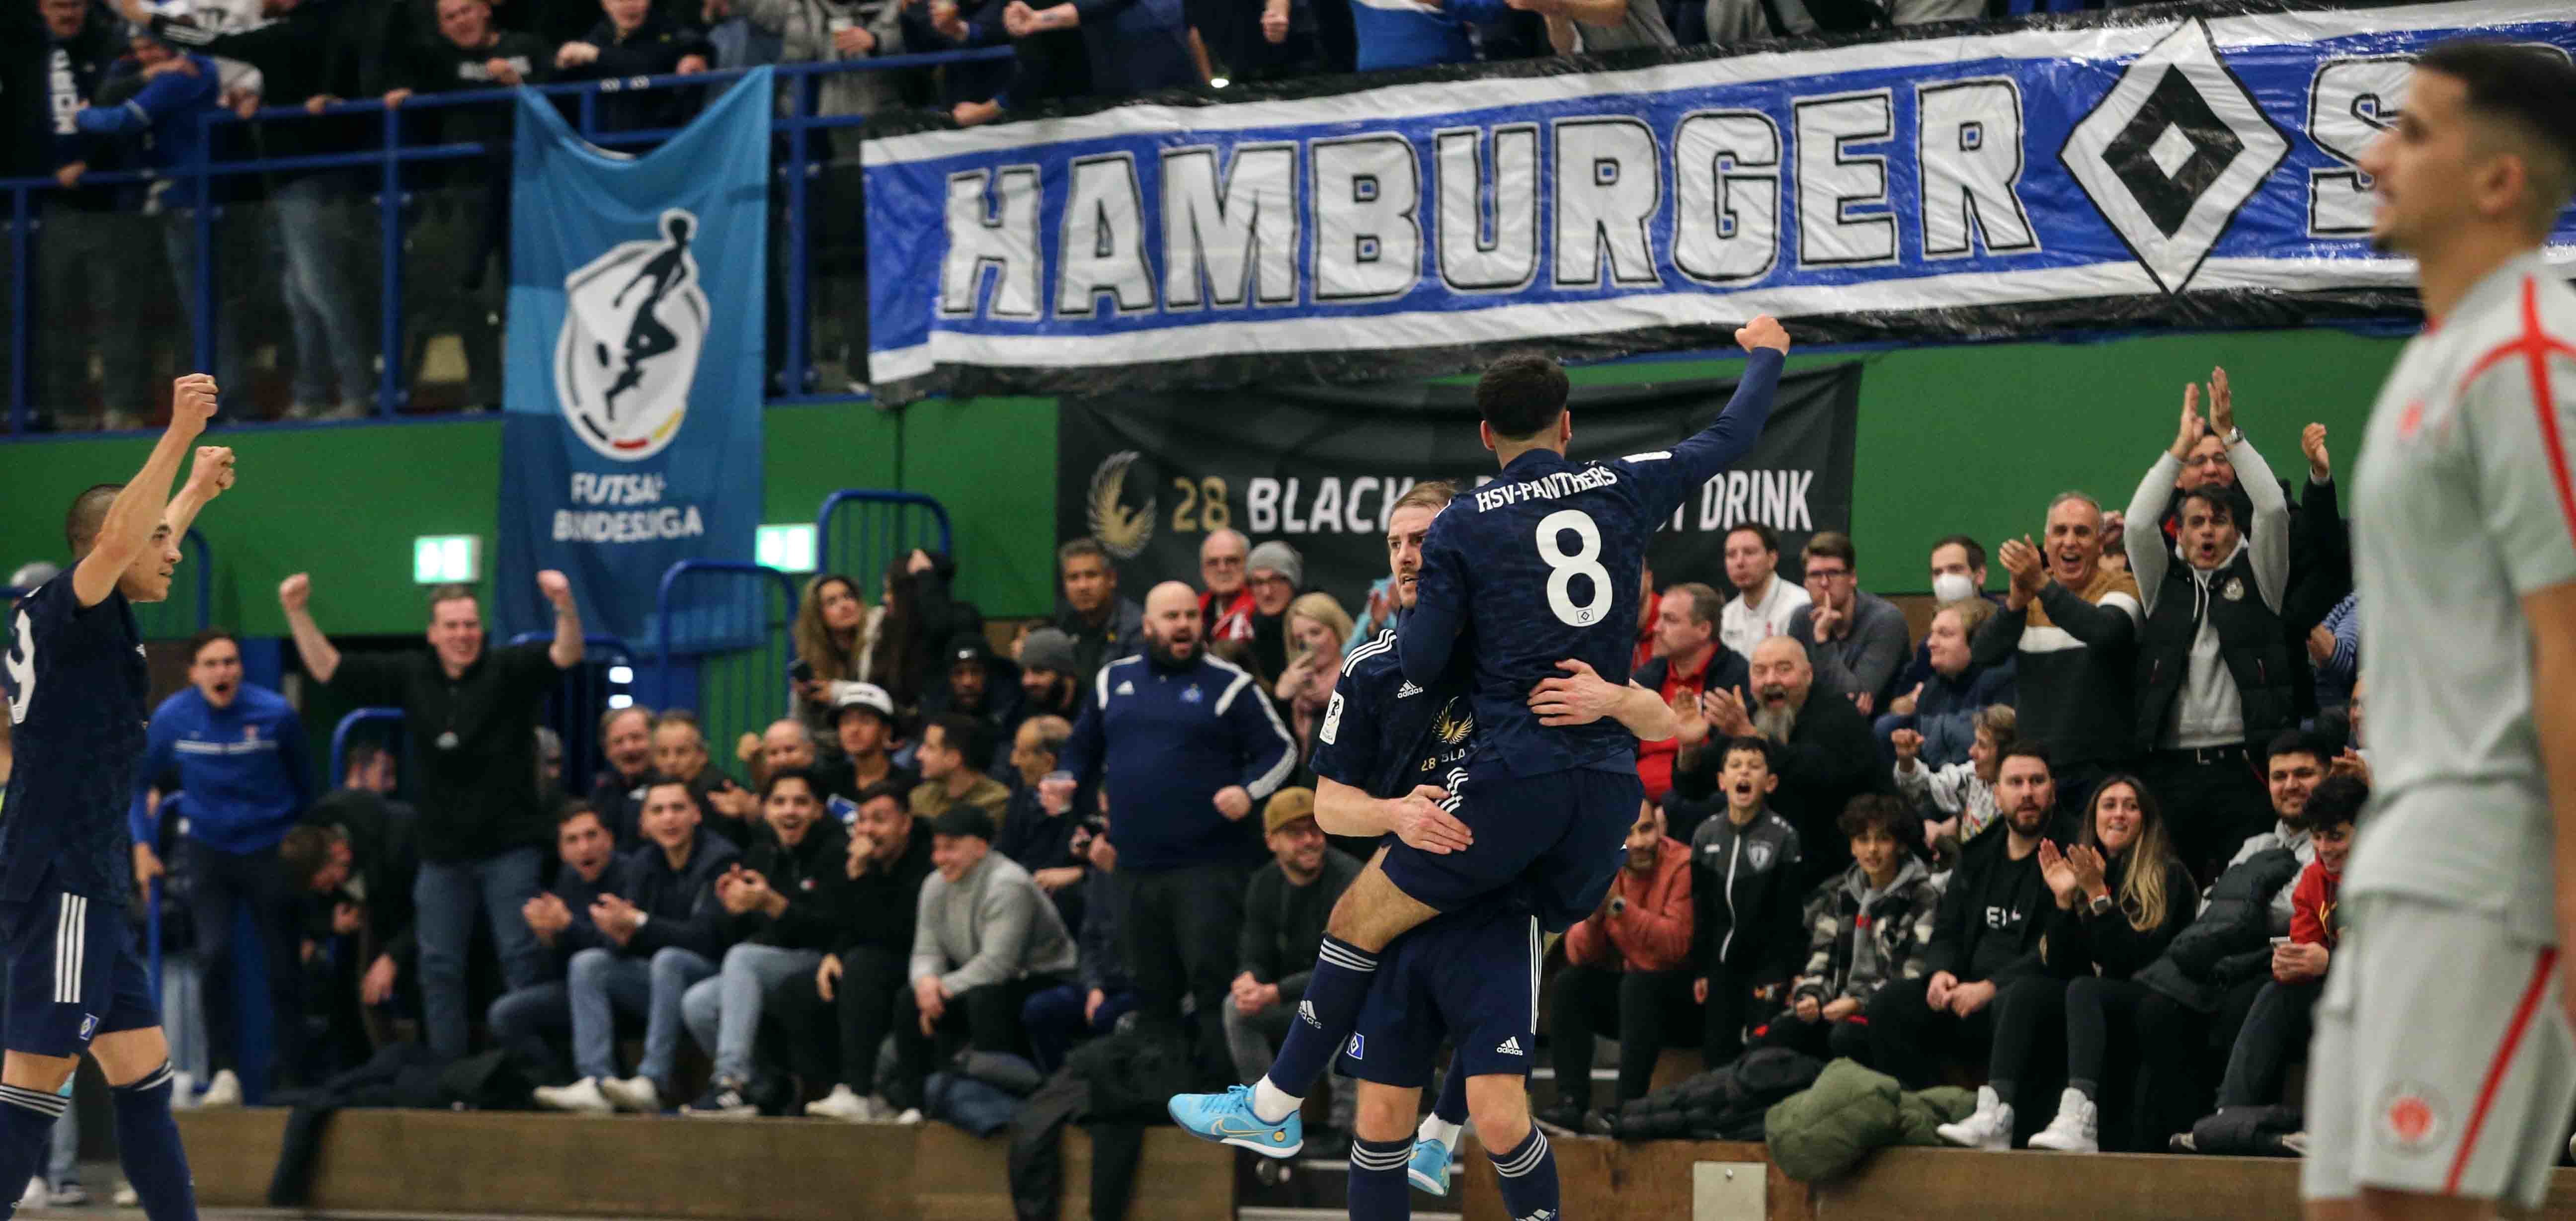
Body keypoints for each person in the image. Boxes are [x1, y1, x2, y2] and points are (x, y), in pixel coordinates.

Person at [1170, 321, 1785, 1164]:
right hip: (1606, 794)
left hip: (1516, 772)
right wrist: (1767, 351)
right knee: (1507, 922)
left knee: (1359, 915)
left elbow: (1422, 663)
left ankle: (1275, 1103)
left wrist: (1438, 634)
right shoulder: (1619, 484)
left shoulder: (1461, 524)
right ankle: (1441, 1132)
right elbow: (1732, 432)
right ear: (1566, 425)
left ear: (1485, 435)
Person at [2304, 42, 2576, 1221]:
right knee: (2350, 1205)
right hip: (2403, 859)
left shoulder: (2532, 360)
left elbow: (2567, 634)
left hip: (2488, 865)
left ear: (2496, 180)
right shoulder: (2433, 362)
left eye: (2409, 131)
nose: (2373, 156)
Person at [0, 376, 226, 1220]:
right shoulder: (64, 606)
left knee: (144, 1070)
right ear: (106, 542)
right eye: (157, 536)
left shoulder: (99, 618)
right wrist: (175, 435)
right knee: (35, 1077)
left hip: (90, 880)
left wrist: (195, 490)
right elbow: (122, 540)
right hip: (60, 878)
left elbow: (139, 541)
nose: (172, 550)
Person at [280, 565, 584, 1061]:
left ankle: (536, 1074)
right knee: (438, 967)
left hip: (511, 847)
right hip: (442, 854)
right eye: (452, 626)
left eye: (470, 625)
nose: (462, 635)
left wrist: (565, 605)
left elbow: (566, 654)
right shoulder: (412, 673)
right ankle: (449, 1078)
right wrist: (297, 613)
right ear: (433, 633)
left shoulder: (508, 669)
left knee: (521, 959)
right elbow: (328, 668)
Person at [1047, 579, 1296, 1085]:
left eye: (1190, 616)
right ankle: (1163, 1103)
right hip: (1134, 870)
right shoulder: (1111, 681)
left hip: (1208, 869)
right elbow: (1079, 751)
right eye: (1172, 617)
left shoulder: (1229, 684)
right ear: (1148, 626)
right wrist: (1066, 780)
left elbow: (1283, 751)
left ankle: (1227, 1107)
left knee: (1212, 990)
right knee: (1151, 993)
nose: (1183, 625)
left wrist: (1249, 791)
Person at [1939, 775, 2194, 1152]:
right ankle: (1996, 1111)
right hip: (2095, 996)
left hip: (2154, 995)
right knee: (2027, 990)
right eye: (2109, 805)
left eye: (2130, 805)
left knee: (2084, 989)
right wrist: (2062, 901)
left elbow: (2134, 957)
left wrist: (2097, 896)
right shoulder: (2084, 868)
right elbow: (2056, 963)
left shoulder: (2168, 874)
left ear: (2146, 819)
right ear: (2094, 818)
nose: (2118, 813)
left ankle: (2080, 1116)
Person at [126, 627, 312, 1101]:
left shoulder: (276, 714)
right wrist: (142, 846)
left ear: (241, 668)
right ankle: (225, 1071)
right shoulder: (173, 718)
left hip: (270, 847)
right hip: (209, 850)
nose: (222, 671)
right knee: (215, 956)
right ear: (194, 673)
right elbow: (135, 783)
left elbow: (305, 785)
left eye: (229, 662)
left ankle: (293, 1076)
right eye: (211, 664)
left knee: (284, 966)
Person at [2122, 372, 2294, 877]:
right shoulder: (2163, 584)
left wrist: (2231, 436)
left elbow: (2273, 507)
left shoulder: (2262, 577)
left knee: (2245, 889)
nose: (2206, 531)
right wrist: (2179, 449)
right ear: (2180, 531)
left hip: (2242, 767)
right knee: (2175, 887)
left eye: (2218, 520)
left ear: (2236, 529)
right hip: (2171, 770)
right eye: (2196, 521)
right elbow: (2136, 524)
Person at [1865, 743, 2065, 1091]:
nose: (2028, 793)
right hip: (1965, 987)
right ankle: (1931, 1108)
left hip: (2024, 993)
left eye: (2037, 781)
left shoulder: (2070, 851)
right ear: (1997, 794)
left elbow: (2056, 948)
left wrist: (1991, 988)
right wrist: (1941, 972)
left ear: (2053, 790)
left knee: (2016, 1003)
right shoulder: (1979, 853)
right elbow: (1948, 929)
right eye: (2016, 783)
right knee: (1889, 1005)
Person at [535, 780, 738, 1114]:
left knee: (669, 959)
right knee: (590, 963)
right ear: (644, 823)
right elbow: (628, 934)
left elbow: (708, 938)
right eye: (658, 810)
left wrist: (640, 923)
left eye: (677, 808)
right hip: (659, 981)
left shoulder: (720, 858)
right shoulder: (644, 862)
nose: (668, 818)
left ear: (697, 814)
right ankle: (595, 1081)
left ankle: (653, 1080)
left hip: (710, 975)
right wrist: (617, 934)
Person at [682, 768, 849, 1117]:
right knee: (699, 1002)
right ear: (767, 809)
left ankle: (729, 1083)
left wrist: (774, 904)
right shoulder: (761, 852)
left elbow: (836, 926)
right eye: (780, 802)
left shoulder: (836, 851)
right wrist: (733, 909)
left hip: (821, 962)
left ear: (819, 810)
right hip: (770, 963)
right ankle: (765, 1086)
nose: (790, 811)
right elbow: (740, 933)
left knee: (745, 958)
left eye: (801, 802)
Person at [894, 806, 1078, 1110]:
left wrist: (942, 988)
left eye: (950, 848)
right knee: (908, 998)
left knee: (985, 1000)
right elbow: (927, 950)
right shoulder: (935, 884)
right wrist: (926, 983)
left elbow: (998, 964)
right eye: (937, 848)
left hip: (1042, 977)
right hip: (982, 976)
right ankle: (915, 1106)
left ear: (981, 847)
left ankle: (1003, 1104)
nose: (939, 859)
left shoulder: (1008, 884)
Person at [1970, 492, 2143, 812]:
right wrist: (2014, 606)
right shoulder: (2032, 596)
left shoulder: (2122, 586)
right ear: (2046, 544)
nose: (2070, 542)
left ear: (2101, 543)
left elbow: (2104, 632)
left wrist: (2041, 584)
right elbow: (1982, 654)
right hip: (2040, 775)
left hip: (2104, 773)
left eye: (2082, 532)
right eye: (2061, 532)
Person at [2207, 773, 2363, 1119]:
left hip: (2386, 996)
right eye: (2318, 837)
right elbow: (2307, 945)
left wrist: (2330, 962)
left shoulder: (2387, 877)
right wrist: (2291, 963)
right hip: (2338, 991)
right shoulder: (2314, 879)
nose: (2324, 848)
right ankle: (2229, 1115)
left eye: (2337, 836)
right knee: (2273, 993)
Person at [781, 780, 935, 1122]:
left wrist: (860, 877)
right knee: (797, 990)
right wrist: (835, 952)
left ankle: (858, 1089)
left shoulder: (927, 858)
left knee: (864, 966)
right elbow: (845, 922)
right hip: (873, 956)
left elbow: (898, 930)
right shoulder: (861, 859)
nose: (868, 830)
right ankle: (831, 1087)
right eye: (862, 820)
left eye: (879, 819)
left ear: (906, 823)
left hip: (920, 961)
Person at [1672, 636, 1881, 885]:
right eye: (1760, 671)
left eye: (1784, 669)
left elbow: (1820, 776)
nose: (1771, 680)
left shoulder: (1838, 712)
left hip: (1832, 854)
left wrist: (1750, 736)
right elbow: (1694, 786)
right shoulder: (1751, 713)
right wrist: (1690, 746)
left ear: (1809, 675)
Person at [1537, 803, 1694, 1129]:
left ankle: (1627, 1108)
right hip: (1636, 999)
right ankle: (1571, 1103)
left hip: (1684, 999)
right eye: (1627, 833)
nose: (1639, 841)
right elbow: (1580, 954)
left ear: (1660, 827)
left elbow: (1675, 947)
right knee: (1570, 984)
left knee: (1637, 986)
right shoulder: (1605, 866)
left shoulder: (1681, 864)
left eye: (1646, 829)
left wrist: (1619, 907)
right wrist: (1595, 918)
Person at [1760, 795, 1939, 1064]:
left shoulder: (1923, 897)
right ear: (1852, 847)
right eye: (1863, 840)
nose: (1872, 850)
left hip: (1884, 1014)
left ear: (1901, 845)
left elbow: (1910, 977)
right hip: (1835, 1006)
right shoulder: (1841, 894)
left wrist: (1859, 1004)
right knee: (1779, 1033)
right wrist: (1811, 997)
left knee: (1844, 1038)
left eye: (1883, 839)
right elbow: (1821, 957)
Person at [1226, 790, 1363, 1142]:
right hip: (1298, 999)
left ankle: (1346, 1128)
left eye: (1315, 830)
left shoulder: (1349, 878)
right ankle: (1265, 1119)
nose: (1309, 840)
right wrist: (1248, 980)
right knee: (1235, 1008)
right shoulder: (1264, 883)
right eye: (1295, 832)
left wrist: (1275, 992)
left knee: (1342, 1004)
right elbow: (1255, 950)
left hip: (1347, 993)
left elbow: (1344, 966)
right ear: (1272, 840)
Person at [289, 746, 421, 1069]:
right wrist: (329, 924)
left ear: (341, 853)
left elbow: (432, 912)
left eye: (328, 881)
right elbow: (312, 910)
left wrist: (393, 956)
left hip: (412, 923)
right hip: (367, 929)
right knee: (348, 991)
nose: (330, 889)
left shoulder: (400, 839)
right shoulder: (311, 845)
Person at [1681, 739, 1803, 1068]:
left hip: (1766, 969)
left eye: (1754, 765)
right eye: (1736, 765)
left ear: (1771, 782)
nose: (1744, 771)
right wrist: (1702, 969)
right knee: (1717, 1056)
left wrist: (1785, 972)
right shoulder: (1705, 835)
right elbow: (1701, 909)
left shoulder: (1784, 836)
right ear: (1722, 780)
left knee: (1759, 1059)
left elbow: (1789, 916)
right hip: (1721, 967)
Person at [490, 804, 628, 1096]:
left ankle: (597, 1082)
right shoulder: (567, 881)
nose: (584, 848)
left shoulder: (632, 873)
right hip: (577, 990)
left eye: (592, 836)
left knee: (588, 966)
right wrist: (547, 938)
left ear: (609, 840)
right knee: (506, 1014)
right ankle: (560, 1084)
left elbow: (618, 949)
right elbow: (559, 967)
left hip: (626, 984)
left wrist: (568, 927)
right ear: (562, 851)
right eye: (572, 841)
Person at [1018, 817, 1135, 1073]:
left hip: (1144, 986)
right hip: (1104, 983)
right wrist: (1095, 987)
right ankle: (1061, 1088)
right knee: (1040, 1009)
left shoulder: (1145, 872)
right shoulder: (1099, 876)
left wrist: (1117, 873)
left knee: (1107, 1016)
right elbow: (1089, 940)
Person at [1632, 581, 1747, 810]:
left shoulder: (1735, 678)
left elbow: (1726, 760)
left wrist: (1669, 806)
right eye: (1660, 618)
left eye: (1670, 620)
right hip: (1635, 802)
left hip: (1696, 801)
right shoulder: (1648, 677)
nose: (1657, 628)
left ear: (1704, 629)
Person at [1875, 598, 2013, 773]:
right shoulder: (1932, 689)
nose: (1931, 643)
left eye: (1945, 634)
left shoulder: (2003, 681)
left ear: (1978, 640)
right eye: (1932, 634)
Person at [1787, 532, 1909, 713]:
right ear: (1805, 582)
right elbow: (1791, 690)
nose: (1824, 583)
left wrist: (1822, 640)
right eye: (1815, 575)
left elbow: (1854, 699)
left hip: (1875, 728)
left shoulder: (1886, 620)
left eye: (1834, 573)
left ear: (1852, 577)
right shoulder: (1802, 619)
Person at [551, 0, 711, 132]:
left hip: (661, 147)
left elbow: (651, 65)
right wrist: (560, 67)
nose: (629, 5)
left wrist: (596, 56)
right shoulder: (593, 39)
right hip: (599, 153)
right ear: (605, 4)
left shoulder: (672, 35)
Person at [1895, 705, 2018, 861]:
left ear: (2005, 752)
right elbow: (1926, 787)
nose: (1971, 752)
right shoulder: (1974, 775)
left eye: (1982, 745)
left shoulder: (2018, 801)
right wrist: (1906, 760)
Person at [636, 711, 756, 846]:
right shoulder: (647, 791)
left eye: (681, 752)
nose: (672, 761)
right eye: (663, 753)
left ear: (702, 755)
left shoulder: (721, 792)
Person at [1052, 539, 1144, 697]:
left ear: (1111, 579)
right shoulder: (1063, 625)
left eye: (1091, 575)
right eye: (1074, 578)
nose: (1083, 587)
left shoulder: (1136, 628)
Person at [1274, 592, 1353, 766]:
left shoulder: (1359, 679)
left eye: (1316, 633)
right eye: (1300, 639)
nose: (1309, 644)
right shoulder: (1297, 693)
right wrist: (1281, 700)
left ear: (1338, 631)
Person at [790, 573, 868, 742]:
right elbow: (798, 723)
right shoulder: (813, 655)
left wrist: (835, 692)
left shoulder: (876, 639)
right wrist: (806, 700)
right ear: (818, 616)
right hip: (833, 744)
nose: (845, 605)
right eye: (832, 602)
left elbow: (881, 695)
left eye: (848, 596)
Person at [1717, 523, 1809, 661]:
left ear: (1772, 559)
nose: (1739, 562)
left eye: (1749, 552)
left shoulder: (1801, 606)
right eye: (1731, 555)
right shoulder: (1727, 616)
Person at [908, 713, 1010, 825]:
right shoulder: (921, 797)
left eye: (930, 748)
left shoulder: (995, 804)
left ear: (954, 758)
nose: (919, 755)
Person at [820, 681, 913, 801]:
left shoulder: (907, 787)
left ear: (886, 730)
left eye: (866, 721)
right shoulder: (827, 782)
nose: (854, 729)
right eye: (847, 721)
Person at [1242, 540, 1305, 683]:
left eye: (1276, 580)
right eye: (1258, 582)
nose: (1267, 592)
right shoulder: (1250, 629)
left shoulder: (1315, 621)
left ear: (1293, 582)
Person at [587, 706, 657, 826]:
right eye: (618, 741)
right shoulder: (601, 793)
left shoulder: (674, 788)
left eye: (636, 738)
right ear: (607, 750)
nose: (628, 748)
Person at [1198, 529, 1255, 645]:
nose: (1223, 569)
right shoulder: (1194, 611)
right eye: (1213, 562)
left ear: (1248, 565)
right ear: (1203, 570)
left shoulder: (1262, 610)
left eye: (1232, 561)